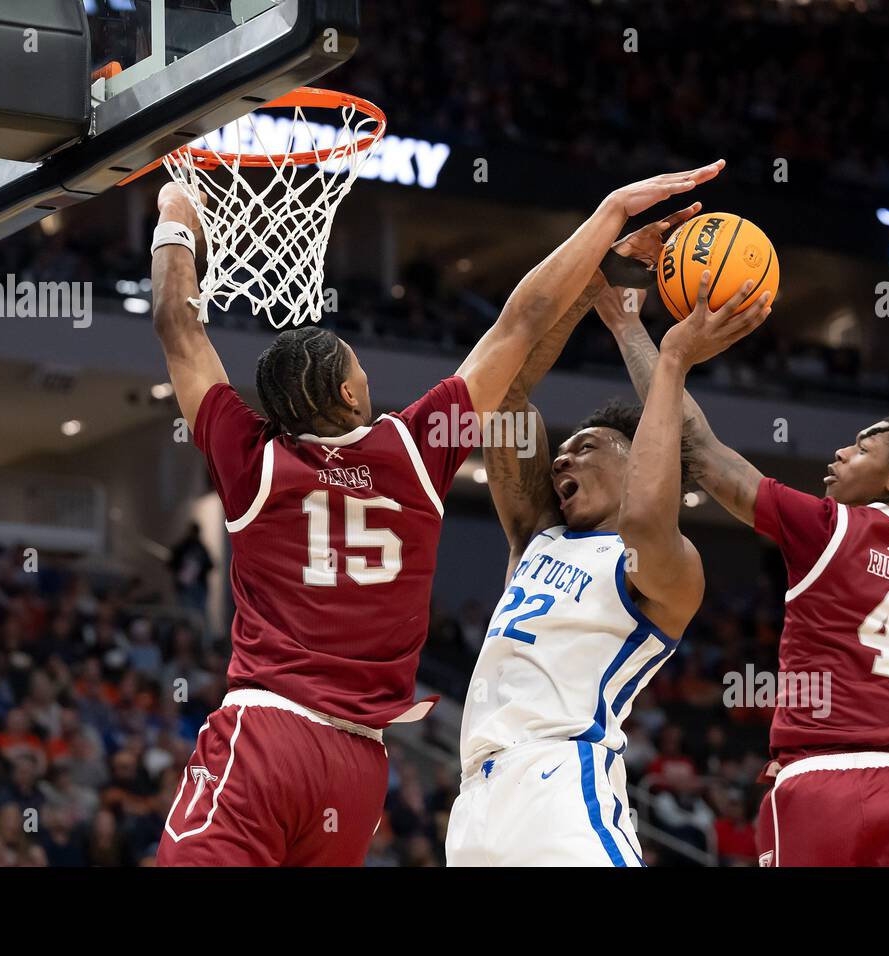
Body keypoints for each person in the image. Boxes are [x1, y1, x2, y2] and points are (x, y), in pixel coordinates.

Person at [148, 163, 719, 865]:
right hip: (358, 768)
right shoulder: (413, 451)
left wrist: (175, 216)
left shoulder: (252, 459)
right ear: (355, 397)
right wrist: (606, 218)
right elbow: (521, 321)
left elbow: (178, 328)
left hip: (271, 730)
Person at [603, 276, 889, 867]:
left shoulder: (828, 528)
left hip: (815, 784)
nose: (842, 453)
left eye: (862, 447)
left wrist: (631, 331)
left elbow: (698, 447)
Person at [447, 167, 773, 865]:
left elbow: (658, 497)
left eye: (585, 448)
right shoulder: (538, 534)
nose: (561, 464)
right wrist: (595, 271)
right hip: (474, 802)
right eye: (560, 457)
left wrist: (663, 350)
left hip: (560, 790)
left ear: (635, 462)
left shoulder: (665, 567)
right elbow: (505, 394)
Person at [167, 522, 213, 617]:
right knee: (185, 612)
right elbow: (171, 563)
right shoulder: (182, 547)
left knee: (198, 613)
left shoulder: (201, 548)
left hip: (198, 586)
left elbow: (210, 565)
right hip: (184, 586)